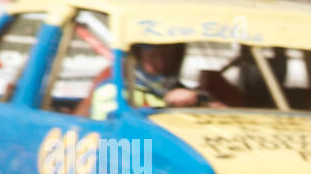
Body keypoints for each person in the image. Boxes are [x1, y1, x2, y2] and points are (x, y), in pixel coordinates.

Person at [87, 43, 224, 119]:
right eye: (153, 57)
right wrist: (167, 104)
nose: (161, 64)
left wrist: (203, 100)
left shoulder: (182, 91)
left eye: (169, 57)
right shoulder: (112, 90)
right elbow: (117, 132)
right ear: (138, 57)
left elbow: (225, 115)